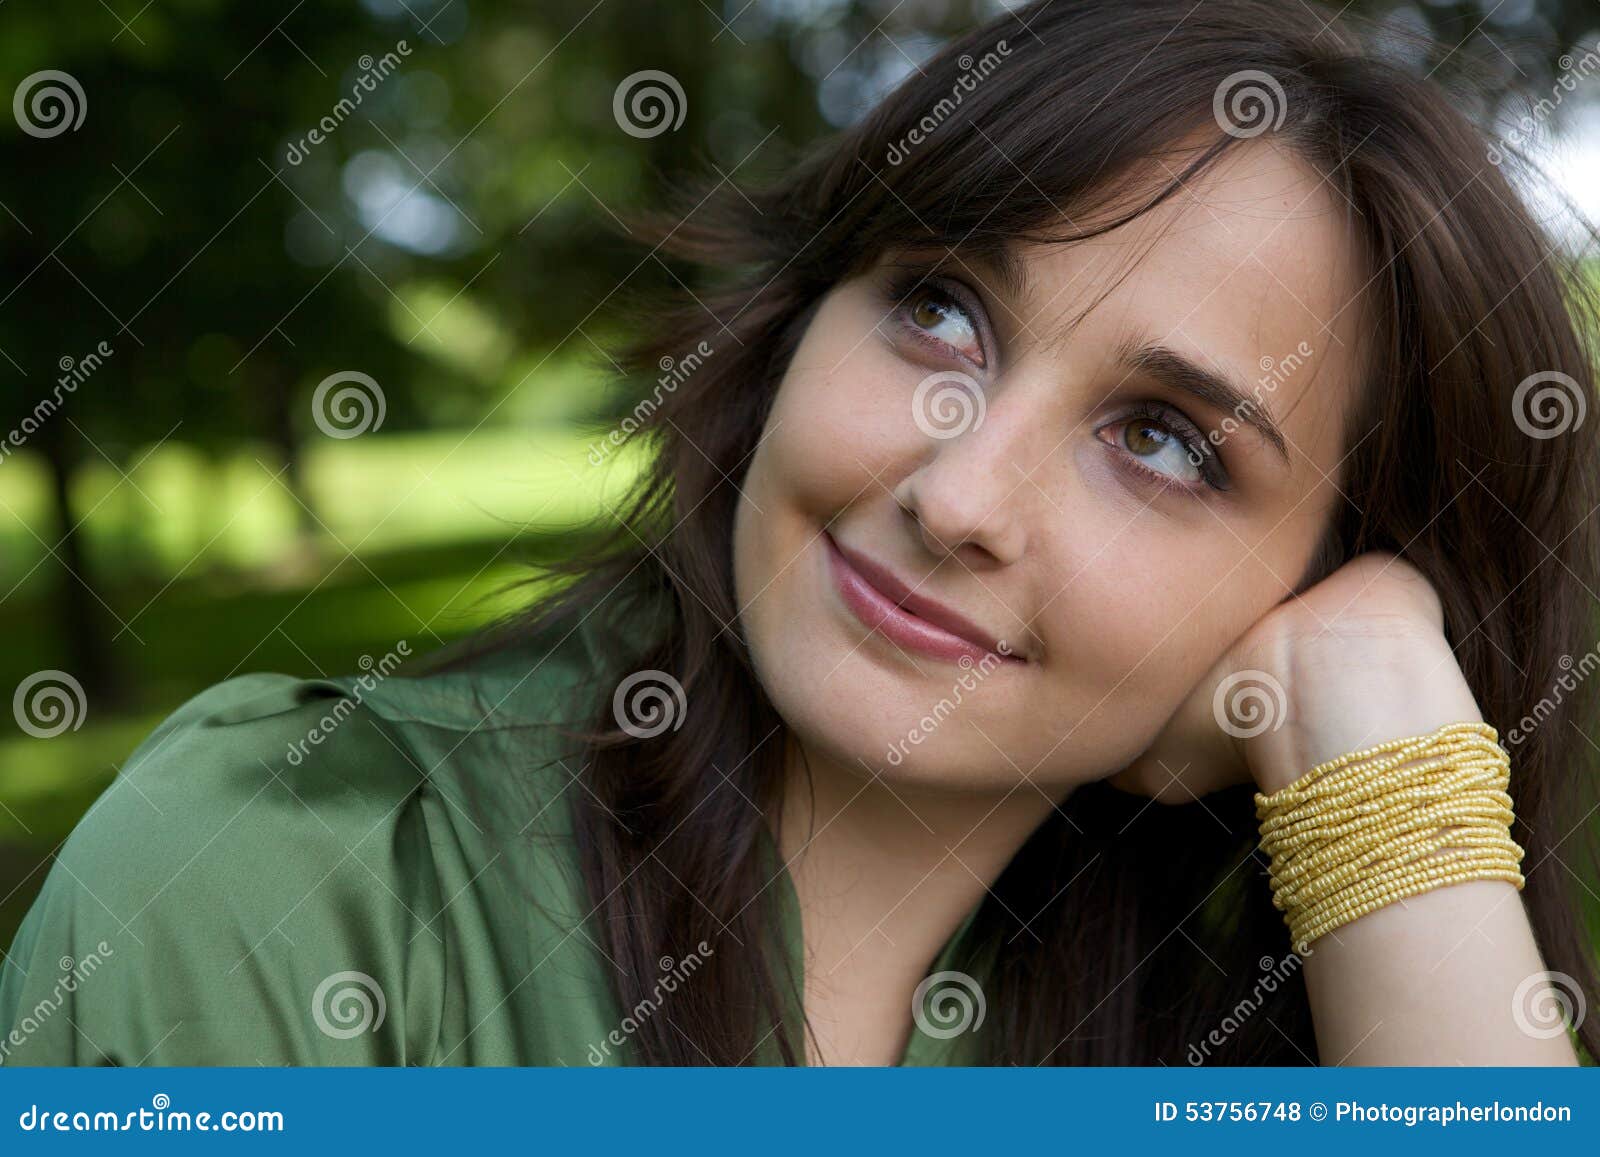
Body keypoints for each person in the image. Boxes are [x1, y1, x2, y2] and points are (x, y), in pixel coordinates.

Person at [4, 0, 1598, 1067]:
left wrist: (1372, 726)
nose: (957, 495)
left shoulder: (1225, 1023)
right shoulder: (280, 877)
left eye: (1165, 441)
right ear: (792, 324)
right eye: (939, 309)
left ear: (1311, 580)